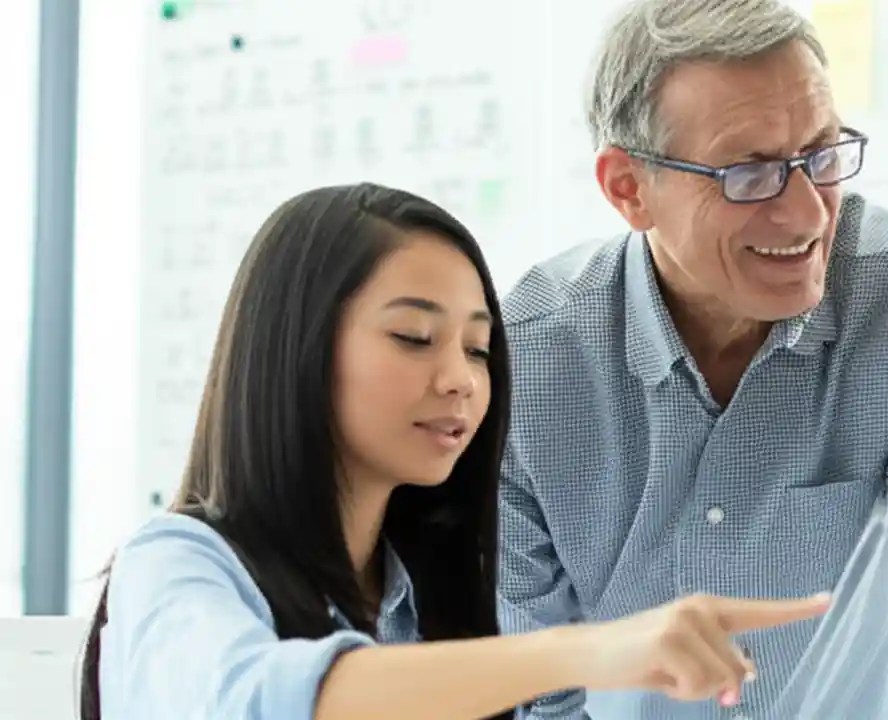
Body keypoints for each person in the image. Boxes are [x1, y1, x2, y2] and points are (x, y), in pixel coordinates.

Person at [78, 184, 831, 720]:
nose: (461, 382)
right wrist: (587, 652)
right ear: (295, 352)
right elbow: (252, 701)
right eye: (414, 337)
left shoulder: (428, 595)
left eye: (477, 349)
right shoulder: (176, 563)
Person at [497, 0, 888, 717]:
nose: (808, 215)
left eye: (823, 155)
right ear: (628, 188)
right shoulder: (518, 364)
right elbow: (536, 693)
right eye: (749, 174)